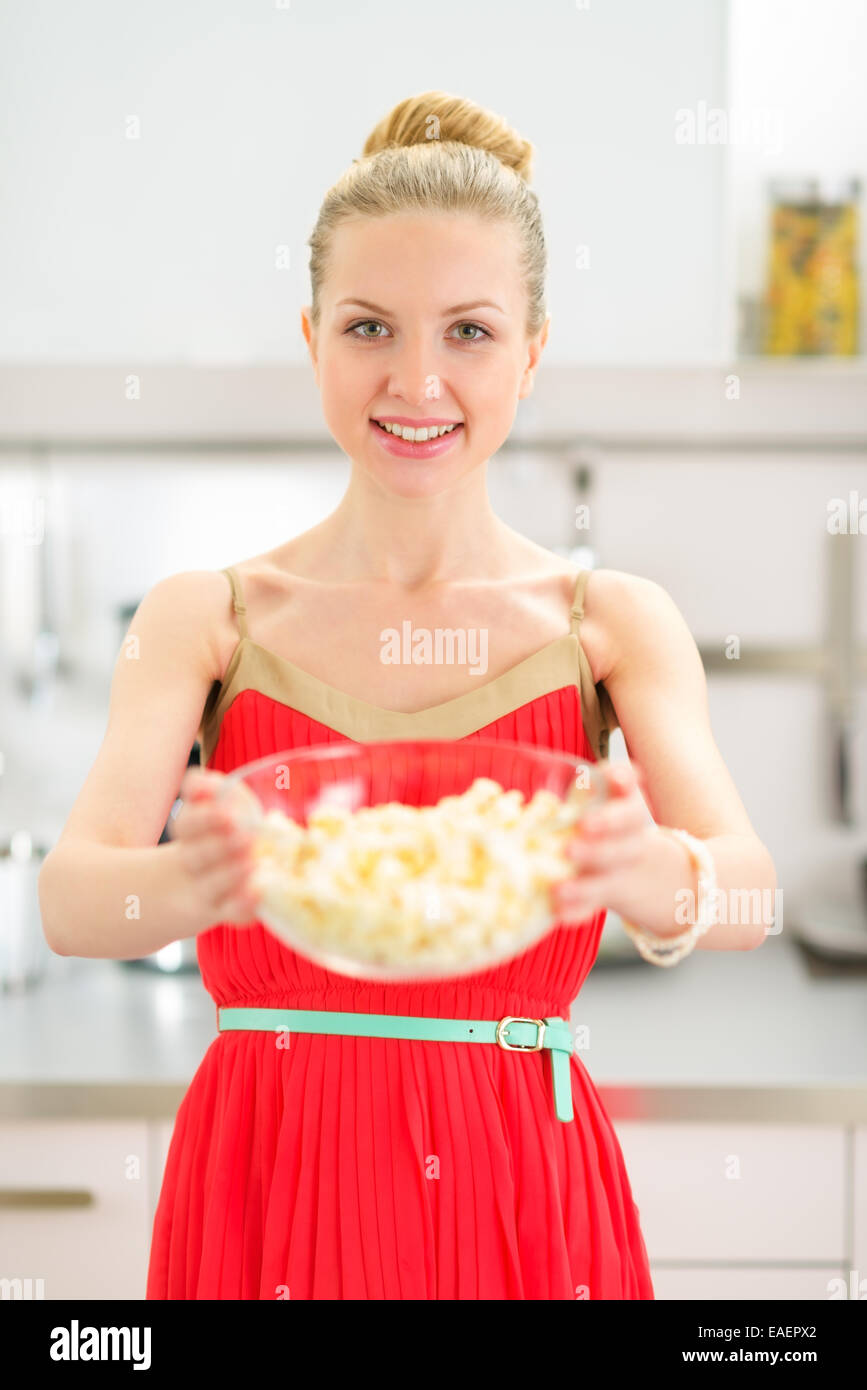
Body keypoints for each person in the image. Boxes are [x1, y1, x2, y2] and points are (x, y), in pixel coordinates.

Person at [38, 91, 776, 1300]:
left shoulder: (612, 626)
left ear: (534, 351)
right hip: (266, 1173)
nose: (417, 380)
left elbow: (751, 889)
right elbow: (72, 899)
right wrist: (193, 879)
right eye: (370, 327)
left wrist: (645, 869)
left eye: (471, 333)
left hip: (518, 1182)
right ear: (312, 340)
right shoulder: (208, 619)